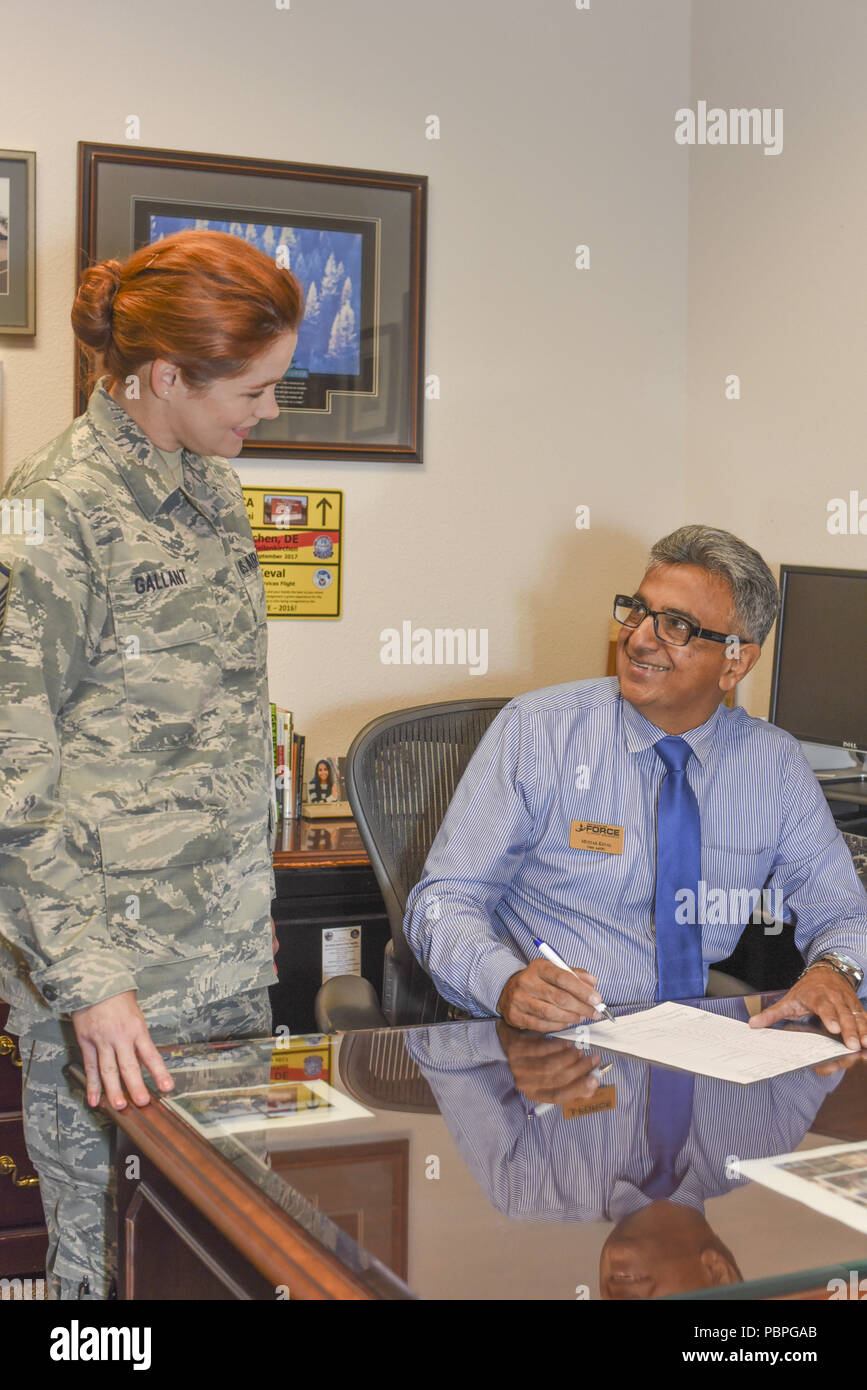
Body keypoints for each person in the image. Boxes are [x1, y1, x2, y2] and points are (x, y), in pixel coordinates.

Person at [0, 229, 303, 1298]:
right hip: (114, 991)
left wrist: (246, 887)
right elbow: (14, 792)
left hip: (222, 964)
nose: (266, 411)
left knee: (228, 1255)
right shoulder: (52, 512)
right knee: (110, 1271)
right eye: (256, 389)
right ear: (165, 377)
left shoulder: (211, 490)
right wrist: (90, 988)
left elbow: (218, 721)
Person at [405, 526, 867, 1048]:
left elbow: (842, 911)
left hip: (697, 1047)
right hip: (549, 1046)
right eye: (637, 610)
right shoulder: (537, 731)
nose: (638, 637)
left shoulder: (775, 765)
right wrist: (504, 982)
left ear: (736, 662)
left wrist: (835, 970)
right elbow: (443, 901)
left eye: (675, 625)